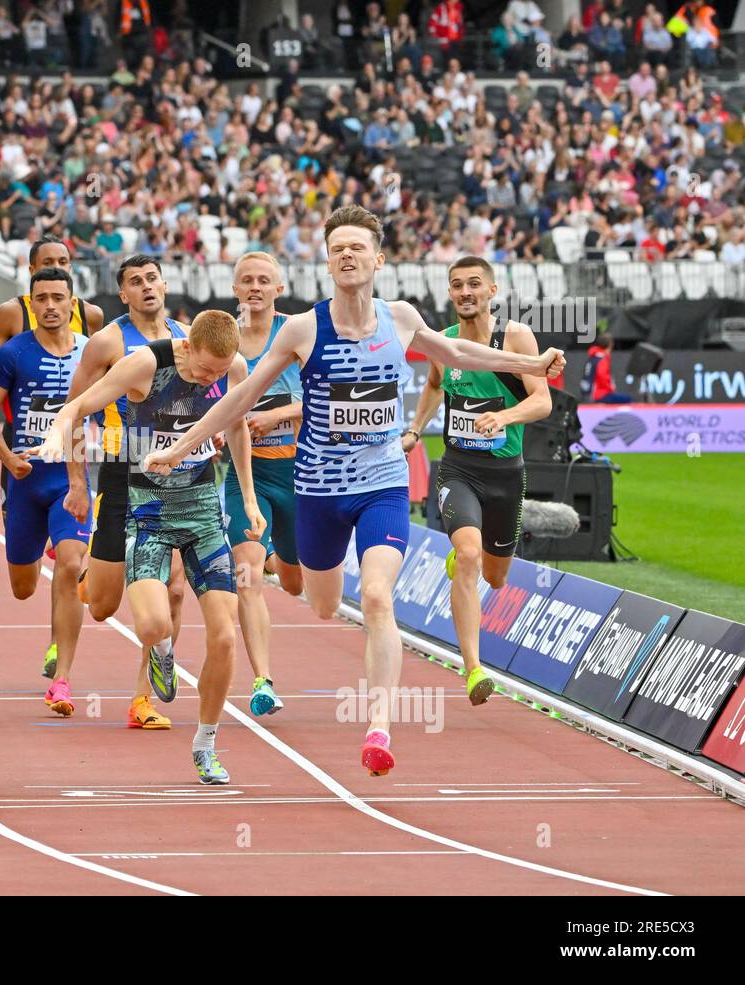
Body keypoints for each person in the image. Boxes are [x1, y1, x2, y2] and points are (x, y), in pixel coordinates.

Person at [142, 205, 564, 777]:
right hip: (317, 488)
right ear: (327, 260)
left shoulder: (402, 318)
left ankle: (379, 728)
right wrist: (179, 445)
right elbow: (238, 400)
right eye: (337, 247)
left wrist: (530, 360)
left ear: (377, 259)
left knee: (376, 598)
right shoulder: (304, 330)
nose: (347, 255)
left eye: (357, 247)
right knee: (319, 602)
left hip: (382, 484)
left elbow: (462, 353)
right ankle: (306, 578)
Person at [40, 311, 264, 783]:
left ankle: (205, 742)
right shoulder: (144, 363)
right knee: (150, 623)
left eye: (219, 375)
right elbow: (80, 404)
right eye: (205, 372)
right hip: (147, 511)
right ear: (186, 348)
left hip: (202, 510)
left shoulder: (235, 369)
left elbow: (238, 425)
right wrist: (59, 429)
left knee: (224, 636)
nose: (211, 381)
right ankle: (162, 649)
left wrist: (246, 494)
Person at [401, 257, 553, 704]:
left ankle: (467, 559)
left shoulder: (515, 337)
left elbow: (541, 401)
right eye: (456, 286)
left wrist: (503, 416)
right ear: (450, 294)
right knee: (467, 555)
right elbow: (432, 384)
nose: (465, 292)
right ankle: (473, 669)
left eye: (473, 284)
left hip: (506, 474)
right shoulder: (443, 342)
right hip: (458, 469)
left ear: (492, 290)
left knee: (496, 575)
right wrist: (415, 429)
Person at [61, 254, 189, 729]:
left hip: (176, 476)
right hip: (120, 471)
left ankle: (142, 700)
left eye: (152, 278)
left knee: (173, 587)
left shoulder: (186, 338)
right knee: (102, 606)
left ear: (164, 283)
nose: (146, 287)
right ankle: (92, 571)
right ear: (124, 294)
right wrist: (77, 481)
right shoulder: (107, 341)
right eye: (135, 282)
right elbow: (75, 410)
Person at [0, 235, 104, 677]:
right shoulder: (14, 351)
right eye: (42, 298)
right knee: (23, 587)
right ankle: (41, 545)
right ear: (32, 298)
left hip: (74, 479)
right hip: (25, 478)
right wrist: (8, 460)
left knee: (69, 565)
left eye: (58, 298)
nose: (50, 306)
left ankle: (60, 672)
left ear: (72, 301)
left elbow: (119, 403)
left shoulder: (94, 348)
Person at [226, 253, 304, 716]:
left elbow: (324, 399)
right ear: (235, 289)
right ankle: (263, 681)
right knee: (247, 577)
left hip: (297, 474)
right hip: (244, 477)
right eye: (246, 281)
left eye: (264, 281)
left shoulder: (296, 334)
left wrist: (274, 414)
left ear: (279, 288)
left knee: (293, 583)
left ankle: (280, 554)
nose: (255, 287)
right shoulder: (223, 338)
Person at [580, 333, 630, 402]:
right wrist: (611, 388)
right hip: (600, 395)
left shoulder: (593, 356)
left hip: (588, 394)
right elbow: (602, 377)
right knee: (629, 399)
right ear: (611, 344)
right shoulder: (602, 358)